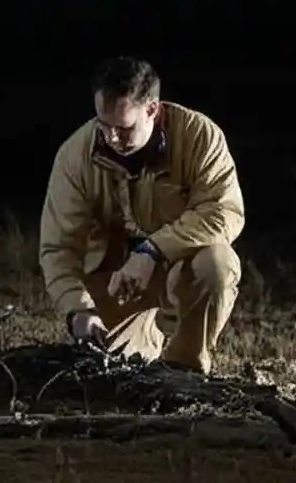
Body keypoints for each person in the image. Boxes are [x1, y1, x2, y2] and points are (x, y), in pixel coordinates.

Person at [39, 56, 244, 375]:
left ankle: (185, 367)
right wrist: (78, 309)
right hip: (113, 285)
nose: (110, 138)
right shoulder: (74, 155)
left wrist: (152, 250)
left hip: (178, 272)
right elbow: (59, 248)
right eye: (102, 125)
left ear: (152, 109)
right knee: (103, 371)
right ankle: (141, 346)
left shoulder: (199, 136)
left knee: (218, 264)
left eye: (123, 128)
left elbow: (223, 212)